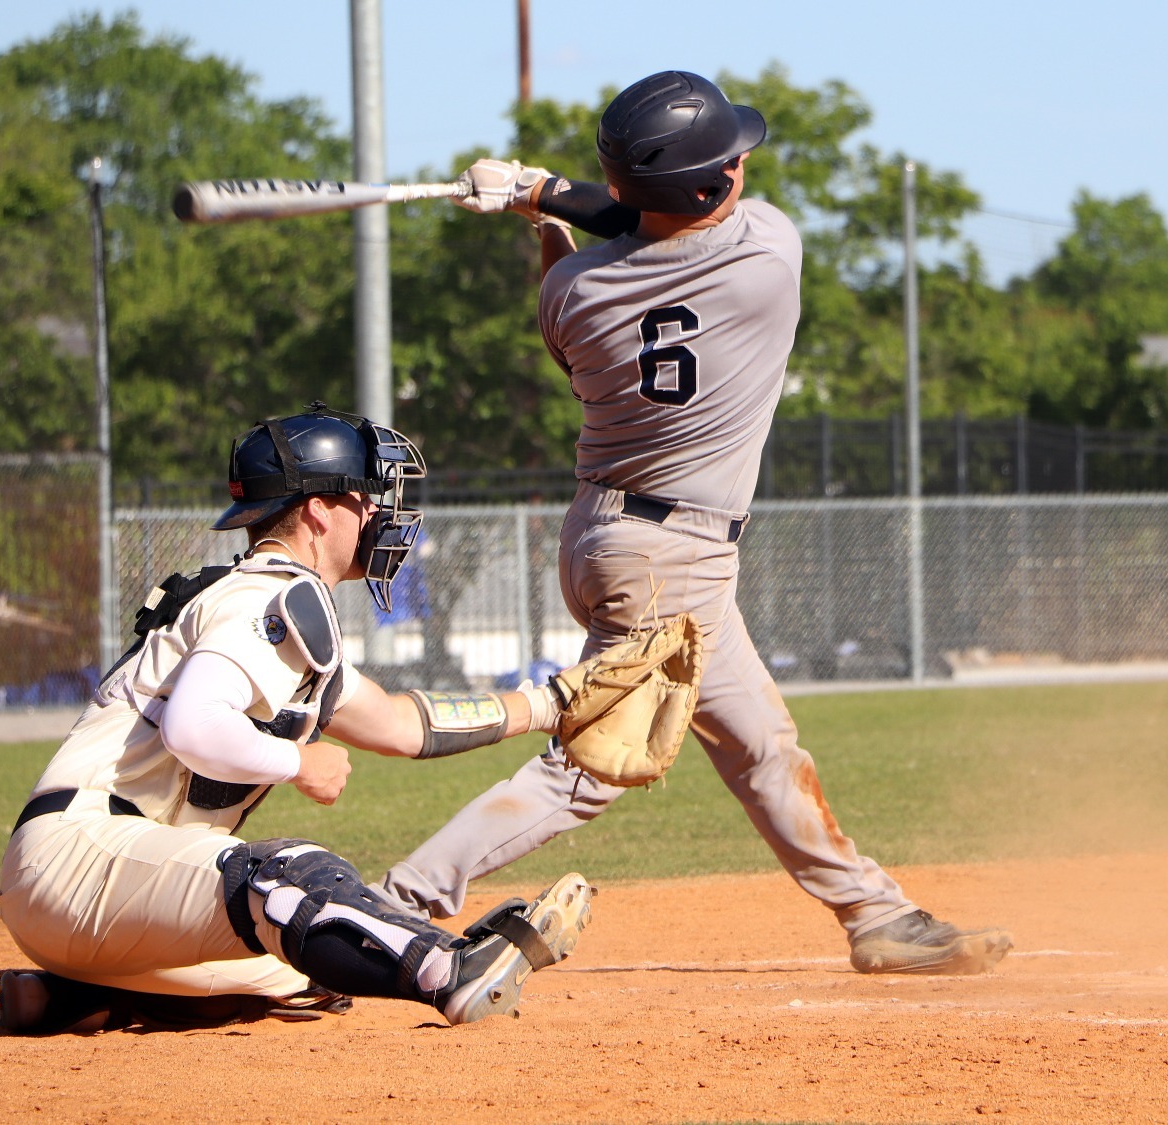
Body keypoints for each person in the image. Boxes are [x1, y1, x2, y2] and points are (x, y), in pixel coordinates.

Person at [381, 71, 1012, 975]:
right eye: (729, 158)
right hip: (670, 560)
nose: (741, 164)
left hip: (609, 540)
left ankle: (875, 913)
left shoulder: (574, 295)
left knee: (759, 744)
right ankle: (395, 903)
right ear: (712, 184)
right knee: (589, 767)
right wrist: (542, 193)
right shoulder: (769, 255)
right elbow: (644, 217)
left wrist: (536, 208)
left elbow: (610, 239)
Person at [0, 405, 601, 1033]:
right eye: (363, 497)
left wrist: (551, 705)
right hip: (82, 857)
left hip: (108, 891)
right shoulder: (271, 594)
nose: (375, 513)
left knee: (310, 970)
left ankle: (71, 995)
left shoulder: (268, 606)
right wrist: (299, 762)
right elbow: (194, 725)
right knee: (289, 878)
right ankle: (448, 967)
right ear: (317, 511)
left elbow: (402, 724)